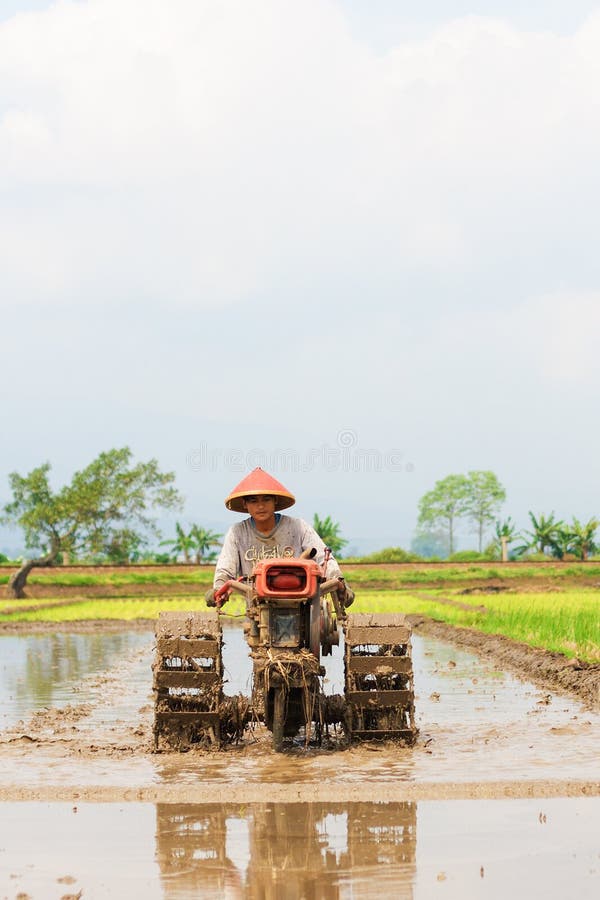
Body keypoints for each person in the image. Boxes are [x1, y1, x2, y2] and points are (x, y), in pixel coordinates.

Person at [206, 467, 353, 607]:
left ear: (275, 500)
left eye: (266, 499)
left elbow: (323, 558)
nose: (260, 506)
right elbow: (225, 569)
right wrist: (219, 588)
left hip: (301, 600)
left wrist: (338, 580)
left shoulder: (297, 527)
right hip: (257, 603)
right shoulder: (237, 532)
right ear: (245, 504)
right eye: (253, 501)